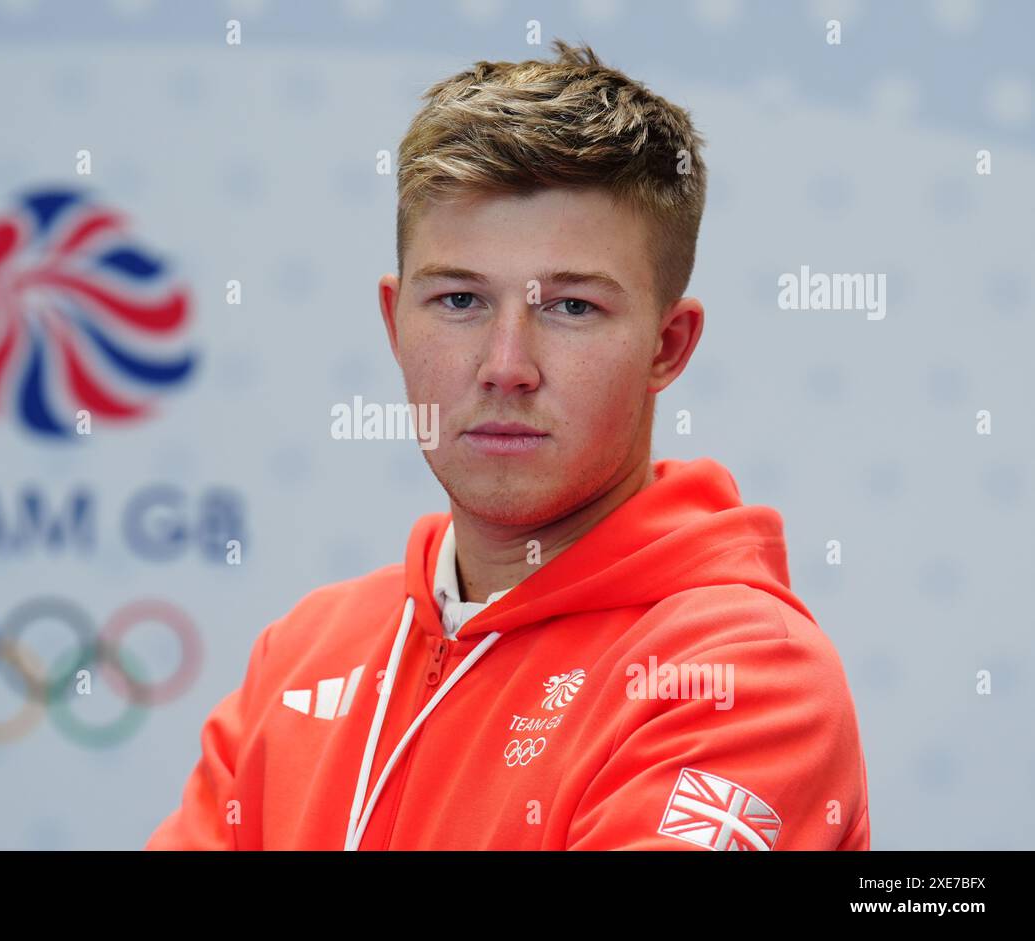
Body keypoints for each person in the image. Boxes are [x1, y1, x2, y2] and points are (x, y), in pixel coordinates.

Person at [145, 39, 870, 851]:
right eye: (459, 300)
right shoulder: (306, 654)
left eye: (571, 308)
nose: (505, 367)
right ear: (393, 324)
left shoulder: (745, 677)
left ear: (668, 345)